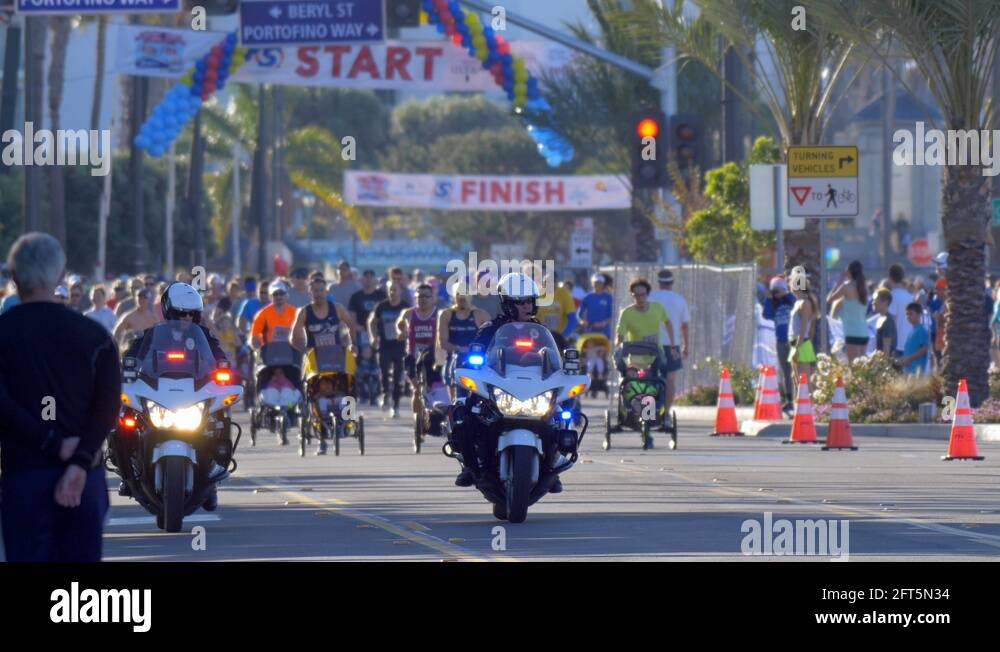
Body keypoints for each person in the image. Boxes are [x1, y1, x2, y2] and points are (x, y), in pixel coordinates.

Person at [0, 233, 120, 561]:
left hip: (24, 477)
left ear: (14, 277)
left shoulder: (5, 333)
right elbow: (108, 405)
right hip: (85, 478)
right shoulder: (95, 336)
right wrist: (80, 461)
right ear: (60, 275)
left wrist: (50, 443)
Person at [451, 272, 562, 490]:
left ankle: (552, 468)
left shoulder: (540, 331)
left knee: (560, 416)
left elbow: (555, 359)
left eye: (529, 301)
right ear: (507, 303)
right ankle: (470, 467)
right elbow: (474, 352)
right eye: (520, 302)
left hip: (534, 388)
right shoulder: (490, 328)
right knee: (465, 413)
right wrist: (471, 360)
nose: (526, 307)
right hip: (498, 386)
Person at [292, 275, 359, 454]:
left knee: (349, 383)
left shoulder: (336, 308)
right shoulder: (305, 312)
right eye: (315, 291)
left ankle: (348, 420)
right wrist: (303, 349)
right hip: (315, 358)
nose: (319, 294)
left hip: (336, 355)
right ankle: (321, 438)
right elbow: (294, 336)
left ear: (326, 292)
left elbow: (351, 325)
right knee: (313, 390)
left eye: (321, 290)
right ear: (310, 293)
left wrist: (352, 343)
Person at [438, 284, 490, 400]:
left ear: (470, 296)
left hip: (476, 358)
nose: (462, 298)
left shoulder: (480, 314)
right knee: (451, 377)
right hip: (455, 357)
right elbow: (443, 342)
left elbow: (491, 339)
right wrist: (459, 349)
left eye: (464, 295)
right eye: (458, 294)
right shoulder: (446, 315)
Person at [649, 269, 690, 414]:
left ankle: (649, 410)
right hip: (672, 345)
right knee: (670, 379)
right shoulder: (679, 300)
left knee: (650, 378)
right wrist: (686, 345)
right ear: (672, 282)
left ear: (658, 282)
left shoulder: (650, 297)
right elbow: (685, 325)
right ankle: (666, 413)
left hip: (651, 344)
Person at [398, 283, 440, 419]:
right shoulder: (409, 313)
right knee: (416, 389)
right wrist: (401, 332)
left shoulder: (439, 314)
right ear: (415, 297)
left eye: (426, 296)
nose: (422, 299)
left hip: (432, 357)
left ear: (432, 298)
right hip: (412, 356)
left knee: (433, 389)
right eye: (419, 296)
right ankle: (418, 423)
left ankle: (433, 415)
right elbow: (400, 324)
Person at [368, 282, 410, 417]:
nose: (393, 292)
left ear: (400, 291)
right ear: (387, 291)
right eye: (390, 290)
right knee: (384, 371)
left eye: (395, 290)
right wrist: (373, 337)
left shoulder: (405, 307)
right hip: (385, 345)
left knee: (398, 376)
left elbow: (412, 324)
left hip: (400, 346)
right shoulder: (382, 306)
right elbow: (371, 322)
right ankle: (385, 393)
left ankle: (396, 405)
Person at [763, 276, 796, 412]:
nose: (777, 293)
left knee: (795, 370)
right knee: (786, 371)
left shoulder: (790, 300)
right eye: (775, 291)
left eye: (779, 290)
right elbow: (766, 314)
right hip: (781, 341)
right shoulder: (773, 304)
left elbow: (796, 303)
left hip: (793, 339)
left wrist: (786, 295)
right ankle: (788, 399)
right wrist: (770, 298)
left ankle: (798, 397)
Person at [827, 261, 869, 362]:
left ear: (849, 272)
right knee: (863, 368)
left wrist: (839, 282)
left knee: (854, 367)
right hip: (864, 332)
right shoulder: (863, 288)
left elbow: (829, 299)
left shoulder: (846, 287)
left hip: (852, 332)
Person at [788, 278, 819, 387]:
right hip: (795, 342)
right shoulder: (798, 302)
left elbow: (804, 328)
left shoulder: (805, 303)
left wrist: (798, 347)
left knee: (804, 382)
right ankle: (801, 403)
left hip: (801, 343)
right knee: (797, 381)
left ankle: (810, 403)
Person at [251, 280, 297, 349]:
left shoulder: (295, 312)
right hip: (270, 353)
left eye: (281, 293)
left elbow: (301, 334)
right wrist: (258, 350)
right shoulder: (262, 314)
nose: (278, 297)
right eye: (275, 294)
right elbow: (255, 337)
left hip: (291, 351)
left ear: (286, 295)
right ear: (270, 296)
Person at [347, 269, 387, 349]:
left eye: (371, 277)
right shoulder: (356, 297)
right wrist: (357, 328)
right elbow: (351, 318)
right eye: (366, 277)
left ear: (375, 280)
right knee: (365, 356)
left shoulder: (383, 296)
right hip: (362, 332)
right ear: (362, 280)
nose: (368, 279)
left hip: (380, 332)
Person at [112, 288, 158, 352]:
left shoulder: (153, 318)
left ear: (148, 300)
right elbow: (117, 333)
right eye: (139, 297)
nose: (141, 300)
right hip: (132, 351)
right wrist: (120, 347)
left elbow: (158, 336)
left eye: (144, 298)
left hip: (148, 351)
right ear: (136, 299)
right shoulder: (129, 316)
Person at [887, 264, 914, 357]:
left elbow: (891, 319)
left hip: (896, 343)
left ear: (890, 277)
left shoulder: (892, 296)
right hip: (909, 341)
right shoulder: (910, 296)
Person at [578, 273, 614, 338]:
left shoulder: (609, 298)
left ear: (603, 284)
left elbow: (612, 315)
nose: (596, 284)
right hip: (590, 332)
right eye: (595, 282)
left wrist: (603, 323)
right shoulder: (587, 297)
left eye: (599, 282)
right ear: (592, 283)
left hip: (604, 332)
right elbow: (579, 314)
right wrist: (583, 321)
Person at [899, 302, 930, 375]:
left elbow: (924, 349)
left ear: (919, 314)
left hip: (916, 370)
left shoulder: (921, 330)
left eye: (911, 313)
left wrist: (909, 358)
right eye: (907, 314)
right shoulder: (912, 330)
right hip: (908, 369)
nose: (908, 316)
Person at [873, 288, 896, 358]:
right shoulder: (881, 318)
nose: (873, 302)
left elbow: (886, 349)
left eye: (875, 299)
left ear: (885, 302)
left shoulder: (887, 321)